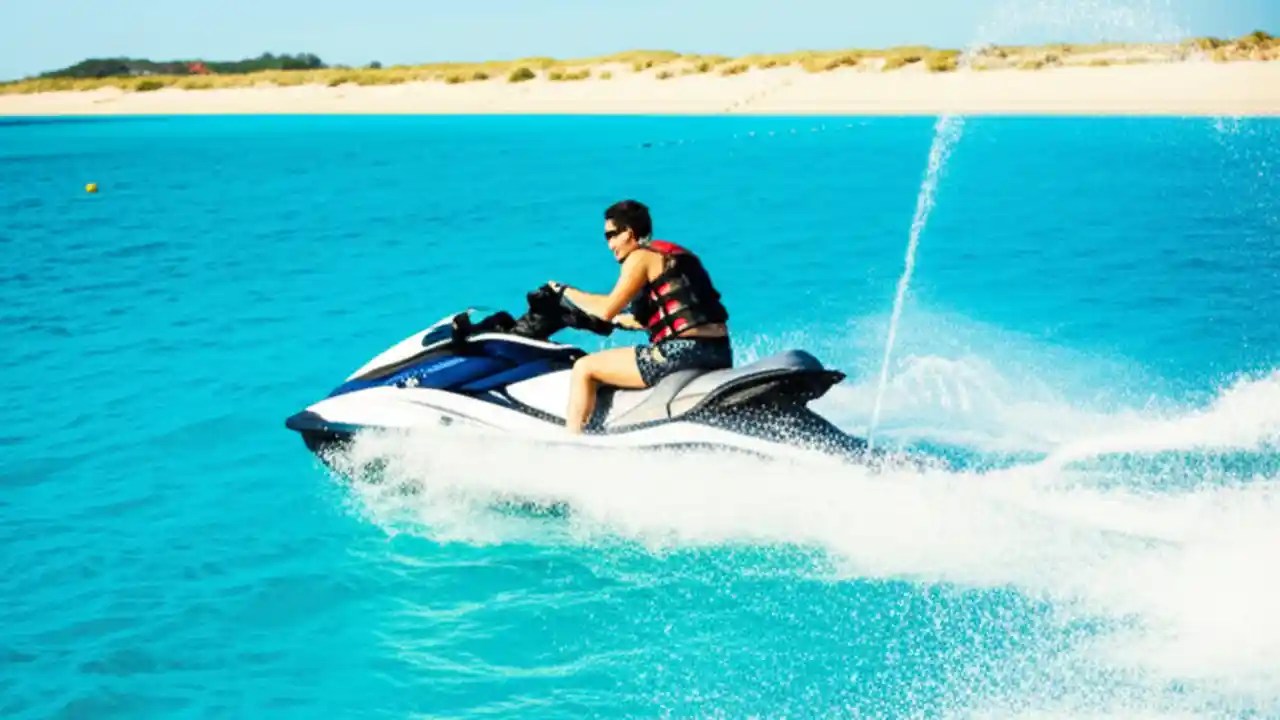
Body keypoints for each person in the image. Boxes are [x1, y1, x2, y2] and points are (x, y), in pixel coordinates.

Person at [552, 199, 732, 433]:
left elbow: (607, 308)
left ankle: (572, 443)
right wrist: (617, 322)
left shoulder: (640, 257)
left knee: (584, 368)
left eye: (612, 235)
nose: (610, 245)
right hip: (719, 352)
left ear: (628, 232)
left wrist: (564, 292)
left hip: (680, 353)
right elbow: (655, 318)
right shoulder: (676, 256)